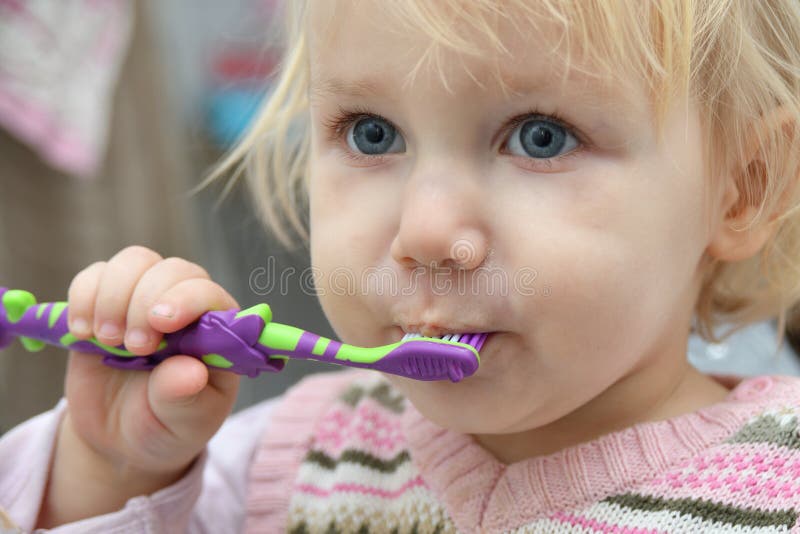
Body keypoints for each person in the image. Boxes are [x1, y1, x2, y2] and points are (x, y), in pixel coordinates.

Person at [2, 0, 800, 532]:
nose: (424, 232)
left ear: (743, 187)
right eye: (372, 134)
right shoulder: (282, 465)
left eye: (539, 137)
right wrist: (108, 471)